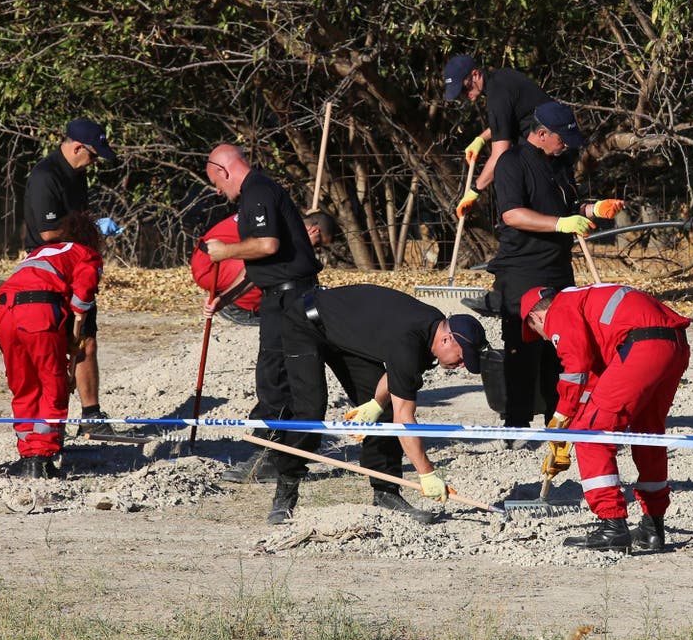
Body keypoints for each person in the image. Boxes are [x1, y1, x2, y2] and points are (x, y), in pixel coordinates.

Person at [267, 284, 488, 526]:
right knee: (310, 410)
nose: (463, 364)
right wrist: (427, 473)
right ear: (446, 339)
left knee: (386, 410)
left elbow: (396, 375)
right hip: (305, 322)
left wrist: (374, 403)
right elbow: (405, 419)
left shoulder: (430, 330)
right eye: (462, 356)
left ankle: (386, 493)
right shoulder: (410, 339)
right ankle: (286, 491)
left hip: (346, 333)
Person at [521, 283, 691, 551]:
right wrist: (566, 429)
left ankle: (612, 525)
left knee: (591, 435)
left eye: (538, 332)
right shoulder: (586, 304)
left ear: (537, 317)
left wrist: (562, 416)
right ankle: (652, 528)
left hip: (642, 347)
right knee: (647, 434)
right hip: (674, 345)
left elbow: (575, 368)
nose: (546, 339)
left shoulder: (559, 310)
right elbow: (594, 381)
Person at [487, 100, 623, 432]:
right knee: (522, 348)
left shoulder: (559, 163)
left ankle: (559, 416)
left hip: (558, 268)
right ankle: (516, 423)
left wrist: (594, 209)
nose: (567, 145)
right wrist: (561, 224)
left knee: (562, 346)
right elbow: (512, 214)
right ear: (542, 133)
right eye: (562, 138)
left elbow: (570, 205)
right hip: (521, 270)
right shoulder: (512, 163)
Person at [201, 144, 331, 483]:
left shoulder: (257, 191)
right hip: (281, 295)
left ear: (224, 171)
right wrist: (224, 299)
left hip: (290, 300)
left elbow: (267, 244)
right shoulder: (256, 193)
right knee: (277, 375)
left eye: (216, 182)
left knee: (275, 378)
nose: (218, 191)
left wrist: (224, 251)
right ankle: (280, 451)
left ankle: (271, 458)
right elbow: (257, 265)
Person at [22, 118, 119, 427]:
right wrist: (90, 228)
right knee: (54, 347)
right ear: (77, 147)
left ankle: (92, 415)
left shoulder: (78, 175)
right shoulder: (45, 176)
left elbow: (78, 217)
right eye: (91, 155)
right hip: (48, 272)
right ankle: (50, 419)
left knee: (86, 339)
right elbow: (50, 231)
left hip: (77, 267)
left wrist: (91, 229)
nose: (92, 163)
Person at [0, 212, 103, 478]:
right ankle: (40, 459)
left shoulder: (41, 252)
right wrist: (75, 338)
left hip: (4, 315)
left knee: (23, 385)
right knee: (52, 385)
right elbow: (82, 300)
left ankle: (26, 451)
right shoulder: (85, 254)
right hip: (40, 313)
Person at [442, 54, 551, 212]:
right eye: (460, 94)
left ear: (475, 74)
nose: (466, 96)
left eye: (465, 89)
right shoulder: (502, 78)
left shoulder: (497, 95)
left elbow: (500, 154)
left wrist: (475, 190)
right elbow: (505, 121)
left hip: (549, 150)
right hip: (547, 146)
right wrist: (481, 139)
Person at [191, 211, 335, 328]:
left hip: (209, 258)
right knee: (274, 270)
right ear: (314, 230)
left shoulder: (284, 216)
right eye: (318, 244)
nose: (315, 249)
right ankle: (238, 308)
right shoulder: (284, 230)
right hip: (210, 265)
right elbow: (256, 269)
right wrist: (224, 300)